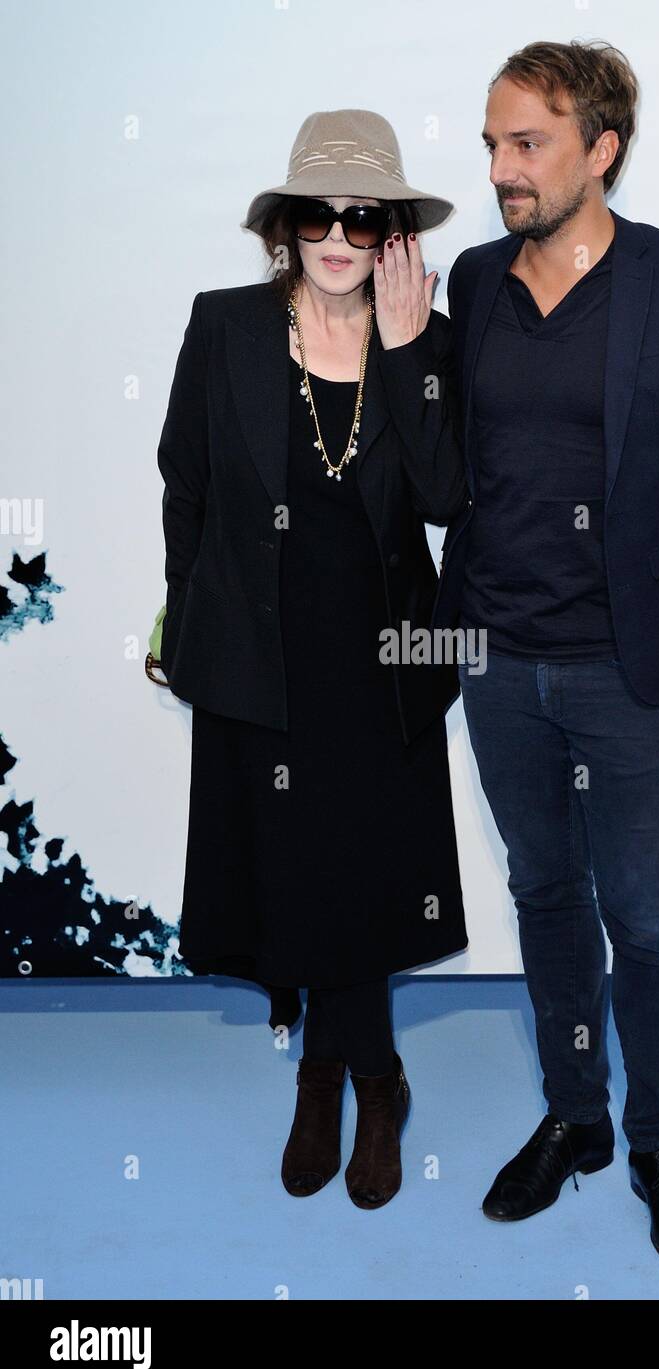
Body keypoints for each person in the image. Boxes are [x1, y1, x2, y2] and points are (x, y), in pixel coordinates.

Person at [437, 41, 659, 1269]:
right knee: (541, 896)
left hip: (633, 671)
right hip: (496, 658)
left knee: (643, 918)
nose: (502, 168)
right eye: (491, 144)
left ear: (601, 150)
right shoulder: (470, 284)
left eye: (526, 144)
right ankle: (575, 1121)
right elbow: (441, 472)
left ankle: (657, 1143)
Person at [156, 109, 469, 1209]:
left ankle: (345, 1074)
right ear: (284, 225)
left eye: (361, 215)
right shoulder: (225, 325)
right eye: (317, 213)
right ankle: (354, 1073)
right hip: (258, 652)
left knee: (361, 870)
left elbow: (442, 496)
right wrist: (179, 616)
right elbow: (184, 484)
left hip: (381, 658)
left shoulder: (424, 334)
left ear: (389, 231)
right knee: (291, 867)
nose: (336, 234)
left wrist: (407, 348)